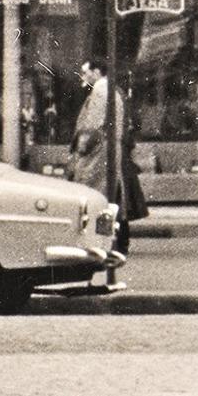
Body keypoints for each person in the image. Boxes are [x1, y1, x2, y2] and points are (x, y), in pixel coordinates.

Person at [69, 58, 145, 252]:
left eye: (86, 73)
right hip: (107, 152)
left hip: (98, 155)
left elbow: (91, 126)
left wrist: (79, 152)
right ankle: (116, 241)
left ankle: (106, 241)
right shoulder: (109, 90)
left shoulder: (101, 91)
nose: (84, 77)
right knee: (111, 198)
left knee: (98, 200)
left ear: (96, 72)